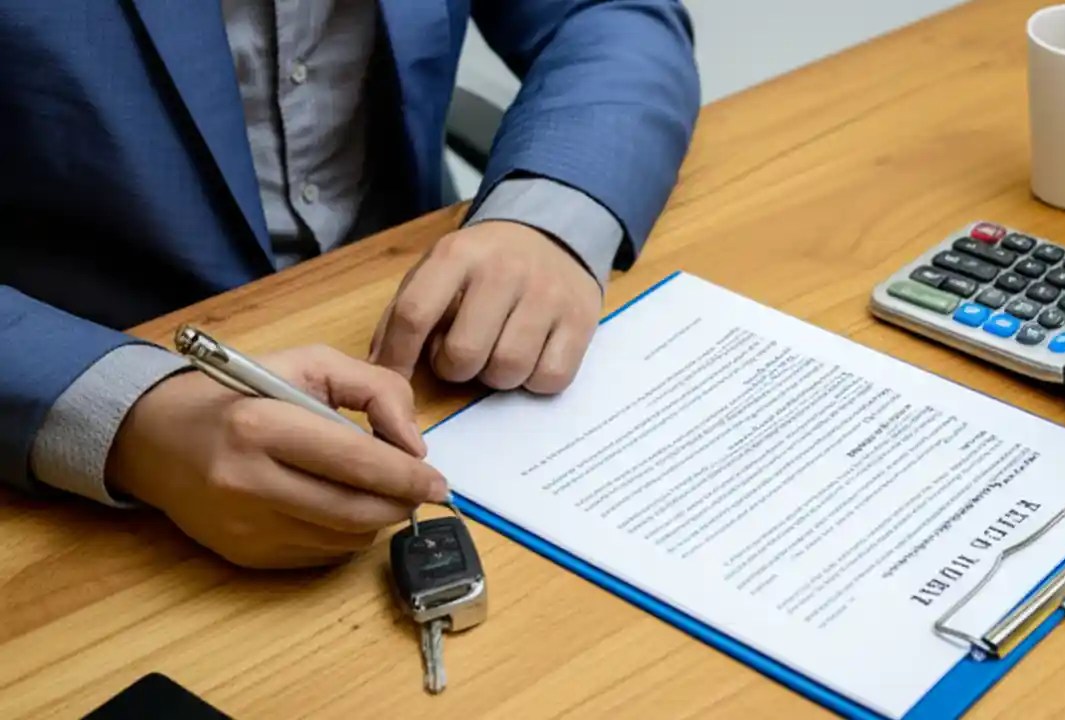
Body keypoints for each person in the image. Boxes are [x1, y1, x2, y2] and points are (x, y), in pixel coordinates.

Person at [0, 1, 699, 569]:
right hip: (90, 374)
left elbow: (607, 14)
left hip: (411, 324)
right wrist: (130, 415)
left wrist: (545, 217)